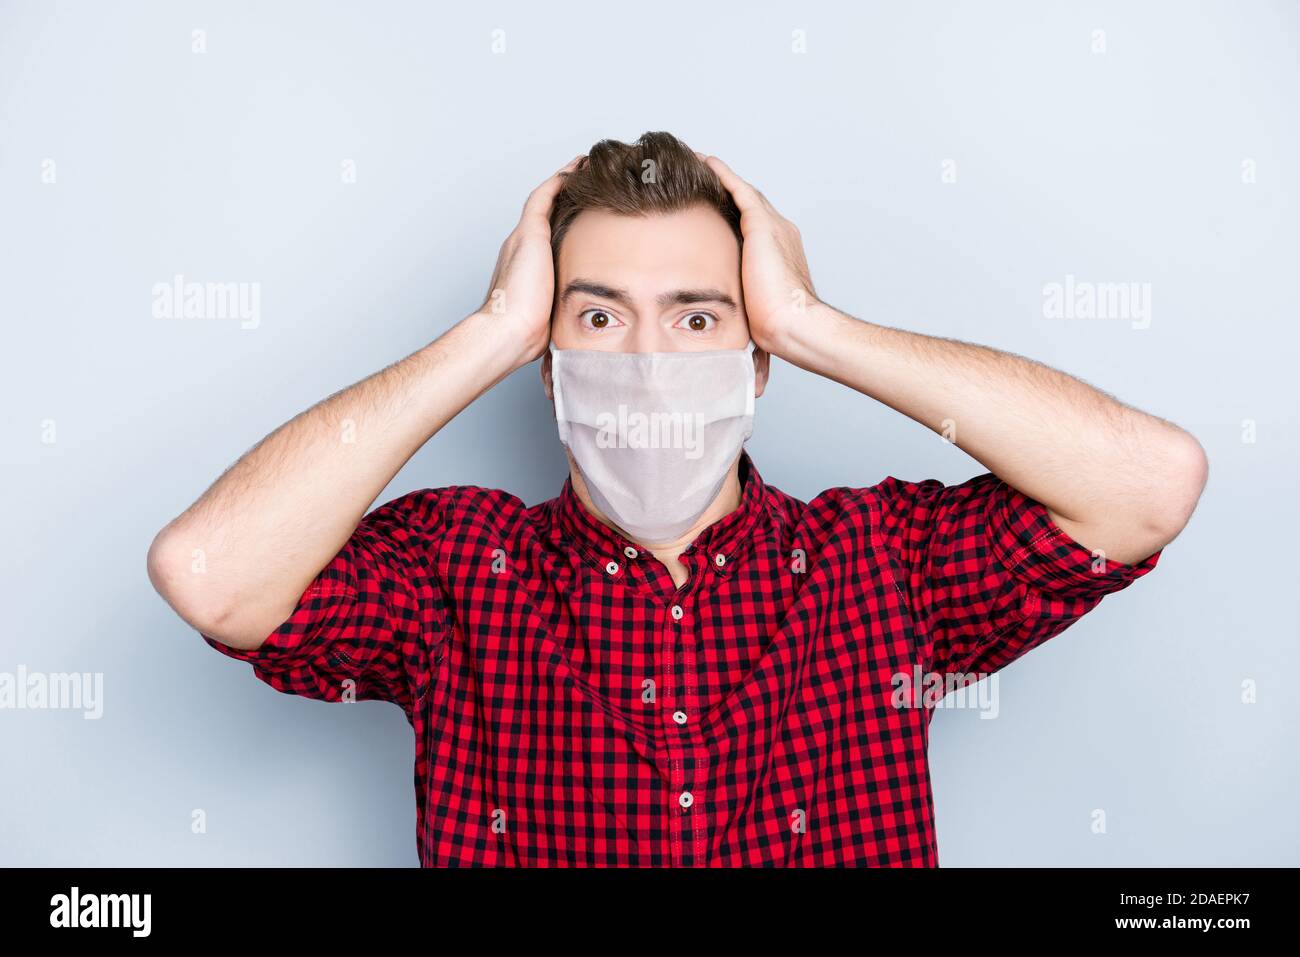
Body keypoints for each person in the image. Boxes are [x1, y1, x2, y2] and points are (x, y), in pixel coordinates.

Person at [147, 131, 1207, 866]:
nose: (648, 359)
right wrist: (483, 337)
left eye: (698, 320)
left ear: (755, 365)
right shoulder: (454, 569)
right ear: (547, 358)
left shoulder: (885, 561)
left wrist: (812, 325)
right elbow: (211, 576)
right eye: (598, 319)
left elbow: (1149, 485)